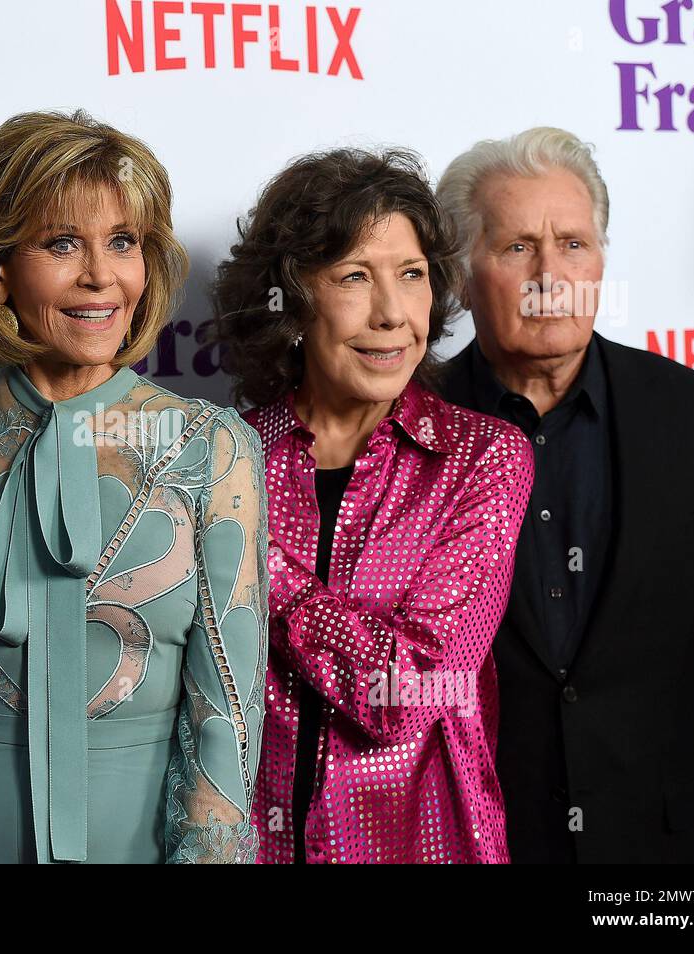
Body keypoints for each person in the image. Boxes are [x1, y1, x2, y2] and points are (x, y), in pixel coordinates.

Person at [0, 110, 268, 864]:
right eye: (61, 243)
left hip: (134, 841)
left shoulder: (212, 447)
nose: (100, 275)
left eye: (123, 242)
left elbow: (225, 715)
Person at [435, 127, 694, 863]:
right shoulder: (407, 425)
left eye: (575, 245)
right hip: (479, 846)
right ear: (462, 275)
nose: (550, 274)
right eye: (518, 247)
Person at [212, 148, 534, 863]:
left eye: (411, 276)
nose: (392, 314)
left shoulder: (484, 459)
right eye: (355, 277)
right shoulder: (228, 454)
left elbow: (407, 691)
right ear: (292, 300)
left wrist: (252, 557)